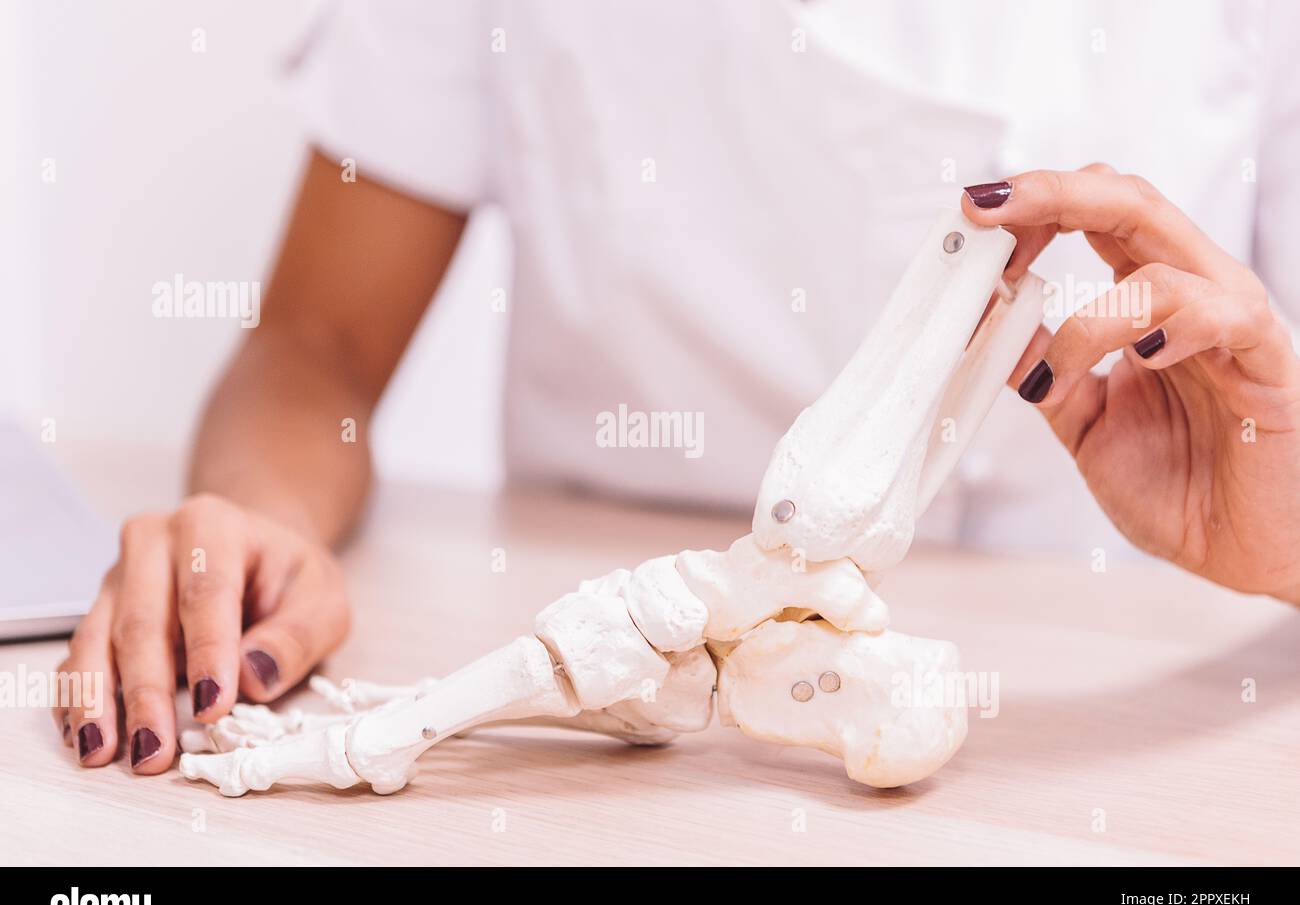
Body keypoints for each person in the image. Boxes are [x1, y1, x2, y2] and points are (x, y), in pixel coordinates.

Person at [52, 1, 1300, 773]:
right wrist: (259, 521)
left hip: (1124, 681)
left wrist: (1288, 542)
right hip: (607, 676)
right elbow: (317, 342)